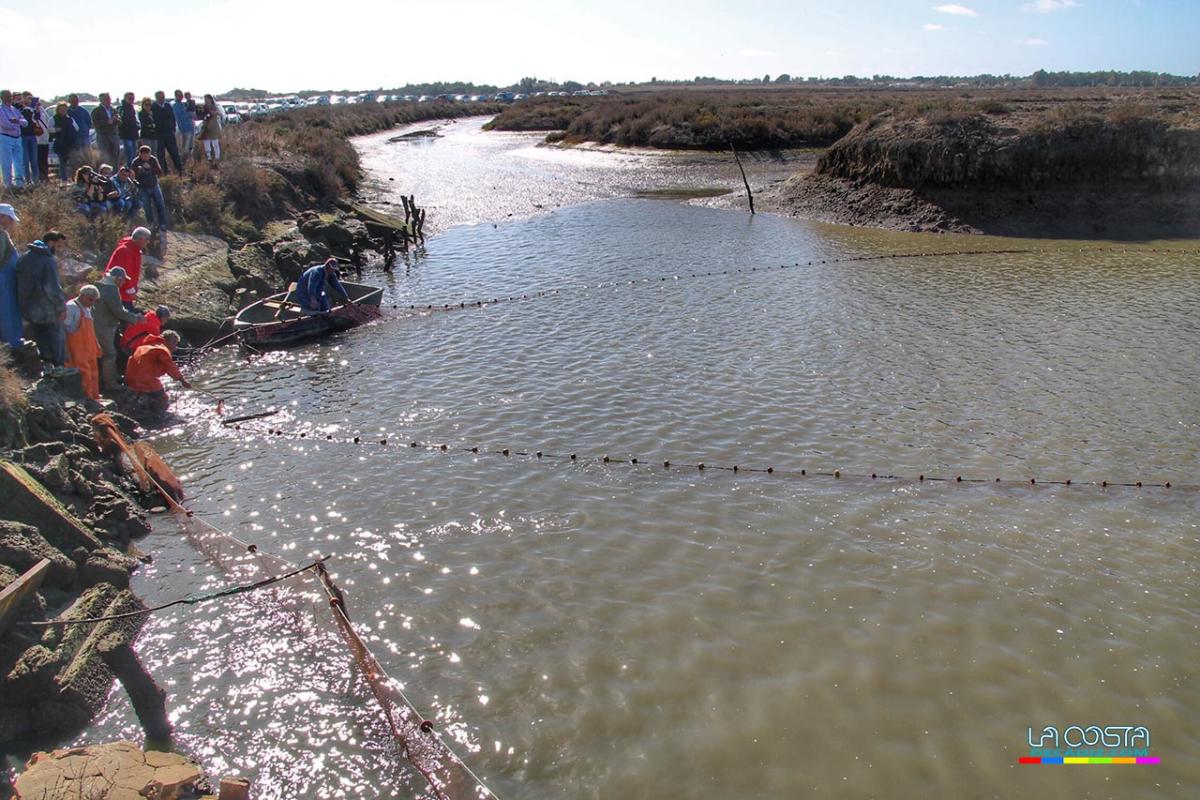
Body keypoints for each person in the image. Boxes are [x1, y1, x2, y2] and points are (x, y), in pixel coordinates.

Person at [15, 231, 68, 366]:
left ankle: (46, 367)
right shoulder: (47, 261)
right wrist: (61, 307)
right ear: (51, 243)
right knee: (56, 341)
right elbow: (52, 288)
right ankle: (58, 369)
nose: (59, 250)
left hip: (31, 310)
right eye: (59, 246)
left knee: (40, 340)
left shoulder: (24, 258)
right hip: (48, 310)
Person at [92, 266, 142, 391]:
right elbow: (119, 311)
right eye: (123, 280)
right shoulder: (111, 290)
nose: (124, 283)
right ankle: (110, 384)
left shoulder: (100, 285)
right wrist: (136, 318)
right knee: (109, 354)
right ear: (118, 279)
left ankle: (105, 378)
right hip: (104, 327)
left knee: (99, 353)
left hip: (95, 324)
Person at [125, 329, 190, 413]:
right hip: (146, 379)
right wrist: (182, 380)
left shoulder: (145, 346)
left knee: (139, 396)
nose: (175, 347)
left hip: (130, 377)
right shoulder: (162, 350)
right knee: (163, 399)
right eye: (175, 343)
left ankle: (140, 410)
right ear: (169, 341)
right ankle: (159, 416)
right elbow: (170, 367)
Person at [64, 284, 102, 400]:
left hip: (88, 349)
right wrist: (65, 350)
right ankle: (86, 398)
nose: (92, 303)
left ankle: (94, 396)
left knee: (93, 373)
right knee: (82, 374)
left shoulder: (87, 308)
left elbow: (91, 330)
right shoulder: (71, 307)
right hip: (76, 349)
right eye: (91, 300)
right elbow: (62, 328)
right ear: (83, 295)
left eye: (95, 301)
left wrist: (97, 345)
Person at [106, 227, 152, 309]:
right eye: (147, 239)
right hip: (119, 294)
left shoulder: (133, 250)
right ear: (140, 239)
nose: (148, 242)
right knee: (126, 318)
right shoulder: (126, 251)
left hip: (123, 293)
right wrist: (131, 292)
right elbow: (124, 274)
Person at [0, 204, 21, 348]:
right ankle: (11, 344)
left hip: (7, 279)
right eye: (10, 218)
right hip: (4, 280)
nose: (12, 222)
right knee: (7, 312)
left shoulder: (3, 233)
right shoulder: (0, 235)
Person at [131, 146, 167, 230]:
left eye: (147, 155)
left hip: (154, 185)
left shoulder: (153, 160)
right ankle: (151, 223)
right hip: (142, 188)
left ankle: (162, 224)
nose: (146, 157)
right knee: (147, 208)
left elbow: (160, 172)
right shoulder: (135, 162)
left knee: (160, 205)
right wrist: (139, 171)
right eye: (144, 155)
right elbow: (133, 177)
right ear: (140, 154)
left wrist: (150, 168)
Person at [0, 90, 28, 188]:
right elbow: (5, 124)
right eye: (7, 96)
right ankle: (8, 185)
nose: (9, 98)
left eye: (10, 96)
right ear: (2, 97)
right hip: (5, 138)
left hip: (17, 138)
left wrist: (17, 121)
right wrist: (17, 123)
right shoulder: (1, 109)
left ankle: (19, 184)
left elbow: (25, 123)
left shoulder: (14, 109)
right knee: (7, 162)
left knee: (19, 161)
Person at [152, 91, 181, 173]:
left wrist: (173, 128)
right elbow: (155, 120)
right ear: (156, 98)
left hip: (169, 133)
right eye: (160, 97)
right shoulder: (154, 107)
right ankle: (164, 172)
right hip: (159, 134)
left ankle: (179, 170)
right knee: (161, 155)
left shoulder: (167, 105)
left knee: (174, 152)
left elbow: (172, 117)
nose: (162, 99)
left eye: (163, 97)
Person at [91, 93, 120, 168]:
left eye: (109, 99)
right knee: (105, 155)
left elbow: (119, 122)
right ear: (101, 100)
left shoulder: (113, 109)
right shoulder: (96, 110)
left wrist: (117, 120)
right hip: (103, 136)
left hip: (113, 135)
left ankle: (115, 172)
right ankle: (106, 173)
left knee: (115, 154)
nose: (108, 101)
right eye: (106, 99)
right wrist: (107, 122)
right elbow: (95, 124)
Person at [16, 92, 40, 183]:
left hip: (32, 136)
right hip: (22, 137)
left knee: (34, 159)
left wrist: (37, 108)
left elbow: (37, 117)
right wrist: (21, 103)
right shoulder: (17, 108)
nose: (28, 100)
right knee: (25, 160)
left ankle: (36, 180)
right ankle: (27, 180)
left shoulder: (30, 109)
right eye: (26, 98)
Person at [52, 102, 76, 182]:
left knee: (72, 163)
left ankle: (73, 179)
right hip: (60, 144)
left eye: (65, 109)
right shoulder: (53, 119)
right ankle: (64, 180)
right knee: (62, 163)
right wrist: (55, 130)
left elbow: (77, 128)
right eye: (61, 109)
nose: (63, 111)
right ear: (58, 110)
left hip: (70, 144)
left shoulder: (70, 119)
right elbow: (49, 129)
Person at [197, 95, 223, 161]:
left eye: (207, 99)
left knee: (215, 143)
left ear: (210, 99)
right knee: (206, 143)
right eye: (205, 99)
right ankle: (209, 157)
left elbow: (220, 113)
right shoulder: (203, 107)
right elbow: (200, 115)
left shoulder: (214, 107)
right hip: (206, 127)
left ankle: (217, 157)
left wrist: (213, 113)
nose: (205, 101)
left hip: (213, 126)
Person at [67, 94, 92, 163]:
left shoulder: (83, 111)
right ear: (69, 101)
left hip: (84, 136)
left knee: (87, 155)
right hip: (72, 138)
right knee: (75, 157)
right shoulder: (66, 111)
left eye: (76, 100)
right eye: (72, 100)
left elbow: (89, 123)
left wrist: (84, 130)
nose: (74, 102)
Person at [118, 92, 140, 167]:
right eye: (129, 98)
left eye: (133, 98)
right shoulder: (122, 108)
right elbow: (120, 121)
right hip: (126, 134)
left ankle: (133, 169)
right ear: (125, 98)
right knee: (129, 154)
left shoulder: (133, 107)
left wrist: (137, 126)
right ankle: (130, 169)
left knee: (134, 153)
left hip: (133, 134)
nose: (131, 100)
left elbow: (136, 121)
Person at [173, 90, 195, 162]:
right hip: (185, 128)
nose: (181, 96)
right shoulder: (176, 106)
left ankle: (189, 161)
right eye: (179, 95)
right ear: (176, 96)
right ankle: (183, 162)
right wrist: (189, 114)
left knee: (191, 146)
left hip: (190, 127)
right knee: (185, 146)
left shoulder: (183, 104)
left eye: (181, 95)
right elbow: (180, 116)